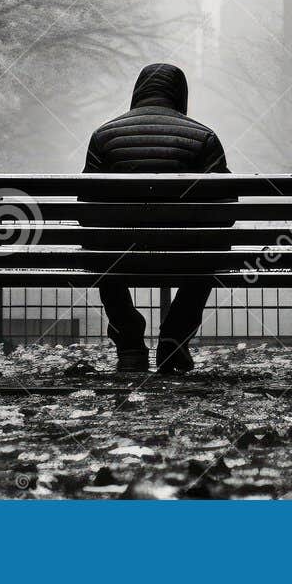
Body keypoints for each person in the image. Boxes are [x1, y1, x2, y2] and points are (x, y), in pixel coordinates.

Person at [82, 63, 229, 373]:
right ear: (180, 95)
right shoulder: (204, 137)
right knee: (215, 248)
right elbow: (225, 211)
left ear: (138, 91)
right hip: (186, 256)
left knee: (97, 245)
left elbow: (86, 209)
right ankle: (174, 339)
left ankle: (130, 342)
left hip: (119, 256)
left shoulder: (103, 136)